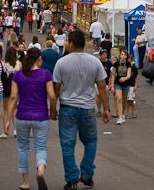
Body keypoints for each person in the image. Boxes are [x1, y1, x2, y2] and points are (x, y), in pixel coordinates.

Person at [52, 30, 110, 190]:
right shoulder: (95, 62)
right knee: (91, 141)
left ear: (71, 43)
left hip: (67, 108)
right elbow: (102, 87)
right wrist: (106, 108)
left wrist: (52, 109)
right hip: (88, 108)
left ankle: (72, 179)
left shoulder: (61, 63)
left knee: (67, 144)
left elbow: (56, 89)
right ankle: (87, 172)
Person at [6, 47, 56, 190]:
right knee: (41, 146)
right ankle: (40, 170)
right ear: (39, 59)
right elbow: (52, 96)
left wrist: (8, 119)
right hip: (41, 116)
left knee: (23, 148)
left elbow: (13, 97)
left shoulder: (19, 75)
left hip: (22, 115)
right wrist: (53, 111)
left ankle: (25, 182)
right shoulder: (46, 74)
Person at [2, 46, 21, 139]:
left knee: (6, 109)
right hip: (16, 87)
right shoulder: (19, 64)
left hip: (6, 87)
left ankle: (5, 130)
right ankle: (16, 129)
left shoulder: (4, 64)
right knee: (14, 109)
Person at [109, 48, 132, 125]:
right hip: (117, 83)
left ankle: (122, 114)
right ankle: (119, 117)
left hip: (126, 84)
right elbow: (113, 75)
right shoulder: (116, 64)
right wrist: (112, 85)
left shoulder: (128, 64)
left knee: (124, 100)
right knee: (119, 98)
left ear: (126, 56)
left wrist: (124, 78)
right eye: (121, 54)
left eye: (124, 54)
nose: (123, 56)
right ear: (119, 56)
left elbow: (129, 75)